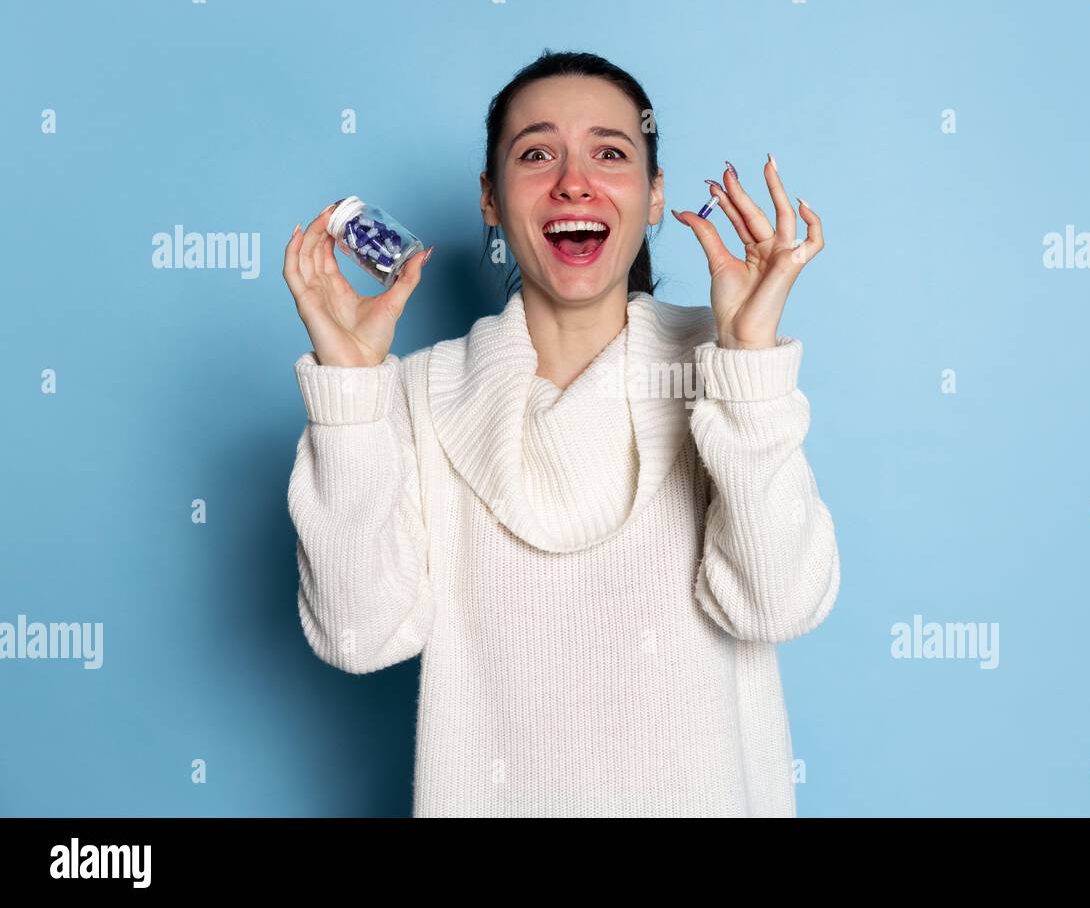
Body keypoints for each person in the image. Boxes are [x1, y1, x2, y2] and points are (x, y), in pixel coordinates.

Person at [283, 50, 840, 817]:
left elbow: (777, 604)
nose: (573, 180)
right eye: (536, 153)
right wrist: (348, 389)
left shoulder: (725, 370)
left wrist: (747, 367)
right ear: (489, 199)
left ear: (654, 198)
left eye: (610, 152)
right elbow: (356, 634)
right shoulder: (415, 392)